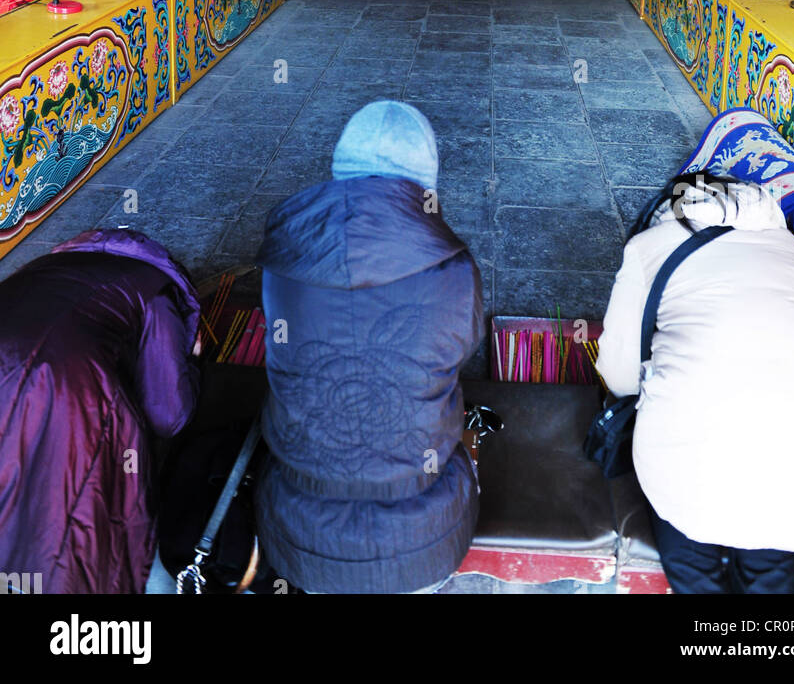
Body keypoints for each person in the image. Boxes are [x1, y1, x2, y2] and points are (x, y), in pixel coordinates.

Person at [596, 173, 794, 595]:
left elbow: (618, 373)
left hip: (694, 458)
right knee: (770, 536)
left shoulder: (649, 247)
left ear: (669, 211)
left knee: (691, 530)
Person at [255, 99, 483, 594]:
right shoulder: (455, 270)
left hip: (303, 526)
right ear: (425, 185)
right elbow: (463, 349)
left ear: (340, 170)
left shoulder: (284, 261)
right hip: (425, 531)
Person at [0, 227, 200, 594]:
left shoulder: (45, 268)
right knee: (81, 510)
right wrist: (191, 365)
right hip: (63, 384)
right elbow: (169, 415)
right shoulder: (156, 288)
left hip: (16, 366)